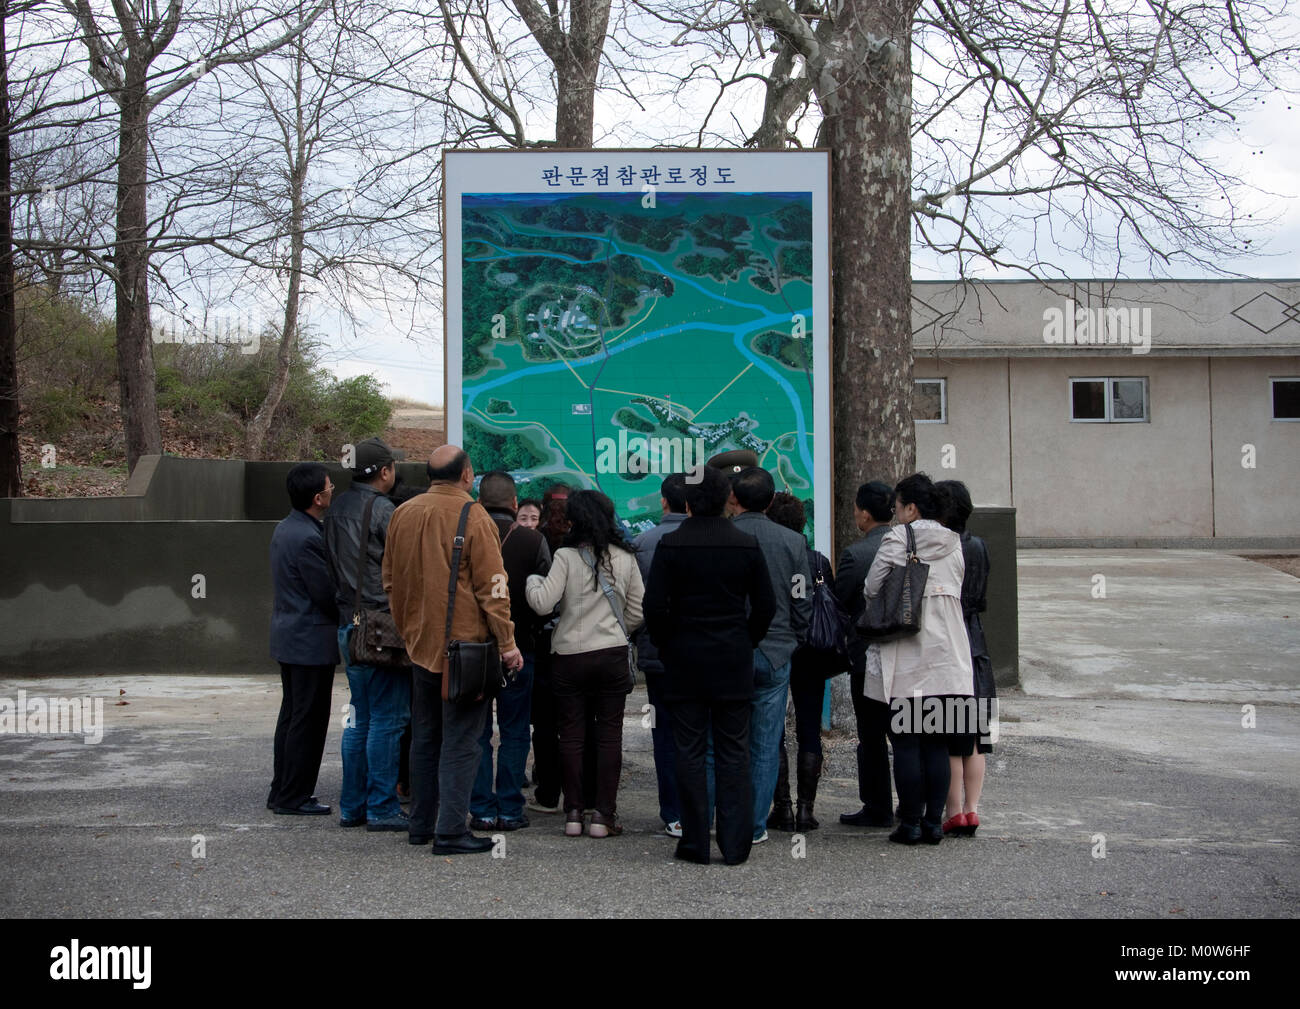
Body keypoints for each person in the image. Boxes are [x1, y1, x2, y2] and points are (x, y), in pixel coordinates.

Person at [382, 445, 524, 855]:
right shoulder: (474, 516)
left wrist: (410, 629)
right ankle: (450, 832)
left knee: (425, 737)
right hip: (467, 652)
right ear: (466, 476)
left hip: (421, 647)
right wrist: (508, 643)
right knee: (463, 741)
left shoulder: (402, 513)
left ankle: (421, 825)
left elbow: (389, 580)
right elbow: (494, 591)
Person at [644, 465, 776, 866]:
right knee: (735, 752)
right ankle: (736, 846)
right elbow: (766, 606)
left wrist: (669, 645)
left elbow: (654, 607)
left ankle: (694, 842)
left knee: (689, 751)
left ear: (687, 503)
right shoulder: (746, 543)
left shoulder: (670, 545)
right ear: (726, 499)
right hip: (733, 660)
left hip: (684, 661)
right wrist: (745, 640)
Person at [526, 490, 644, 837]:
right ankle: (603, 816)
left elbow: (543, 604)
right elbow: (638, 610)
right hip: (610, 656)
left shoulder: (564, 556)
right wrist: (617, 628)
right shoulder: (625, 557)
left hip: (569, 657)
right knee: (609, 736)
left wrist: (533, 581)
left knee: (571, 736)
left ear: (575, 519)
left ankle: (574, 813)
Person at [864, 473, 973, 846]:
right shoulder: (954, 542)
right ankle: (931, 824)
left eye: (897, 507)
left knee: (908, 742)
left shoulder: (898, 538)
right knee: (938, 744)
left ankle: (909, 823)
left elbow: (872, 587)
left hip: (910, 655)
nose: (894, 514)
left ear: (911, 508)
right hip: (948, 656)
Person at [324, 437, 410, 833]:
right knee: (388, 719)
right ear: (385, 471)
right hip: (381, 626)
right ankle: (382, 808)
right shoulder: (384, 510)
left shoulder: (335, 506)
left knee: (358, 717)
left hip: (348, 623)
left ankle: (351, 806)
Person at [728, 467, 811, 845]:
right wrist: (793, 636)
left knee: (727, 740)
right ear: (772, 500)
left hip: (730, 650)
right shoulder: (793, 542)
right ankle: (755, 824)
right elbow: (801, 599)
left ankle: (725, 815)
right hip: (777, 651)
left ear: (734, 498)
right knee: (765, 743)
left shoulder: (725, 536)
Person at [470, 471, 552, 832]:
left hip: (472, 649)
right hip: (522, 649)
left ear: (479, 502)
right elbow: (545, 600)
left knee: (477, 730)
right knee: (516, 729)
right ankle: (509, 807)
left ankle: (481, 809)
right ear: (515, 504)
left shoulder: (466, 535)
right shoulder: (533, 541)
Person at [267, 463, 338, 816]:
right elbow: (324, 594)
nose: (333, 489)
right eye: (328, 486)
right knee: (307, 722)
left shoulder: (287, 528)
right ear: (317, 498)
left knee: (292, 717)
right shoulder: (309, 537)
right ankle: (293, 795)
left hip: (290, 638)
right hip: (310, 643)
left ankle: (282, 789)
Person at [764, 492, 834, 832]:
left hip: (777, 646)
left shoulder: (771, 554)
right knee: (809, 729)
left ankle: (783, 806)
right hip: (812, 650)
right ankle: (806, 810)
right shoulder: (818, 560)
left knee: (773, 728)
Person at [833, 480, 897, 828]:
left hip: (865, 654)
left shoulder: (856, 556)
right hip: (904, 656)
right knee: (904, 733)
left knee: (871, 735)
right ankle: (911, 804)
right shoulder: (908, 547)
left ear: (866, 513)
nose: (855, 513)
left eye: (857, 507)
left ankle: (877, 805)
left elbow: (839, 604)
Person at [631, 473, 689, 837]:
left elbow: (636, 604)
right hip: (701, 654)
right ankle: (703, 806)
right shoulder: (711, 538)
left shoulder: (642, 542)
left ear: (664, 502)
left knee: (664, 731)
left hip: (657, 651)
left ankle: (673, 812)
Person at [936, 479, 995, 837]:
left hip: (949, 642)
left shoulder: (941, 548)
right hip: (977, 643)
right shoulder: (981, 546)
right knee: (976, 736)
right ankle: (973, 809)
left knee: (947, 735)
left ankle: (953, 810)